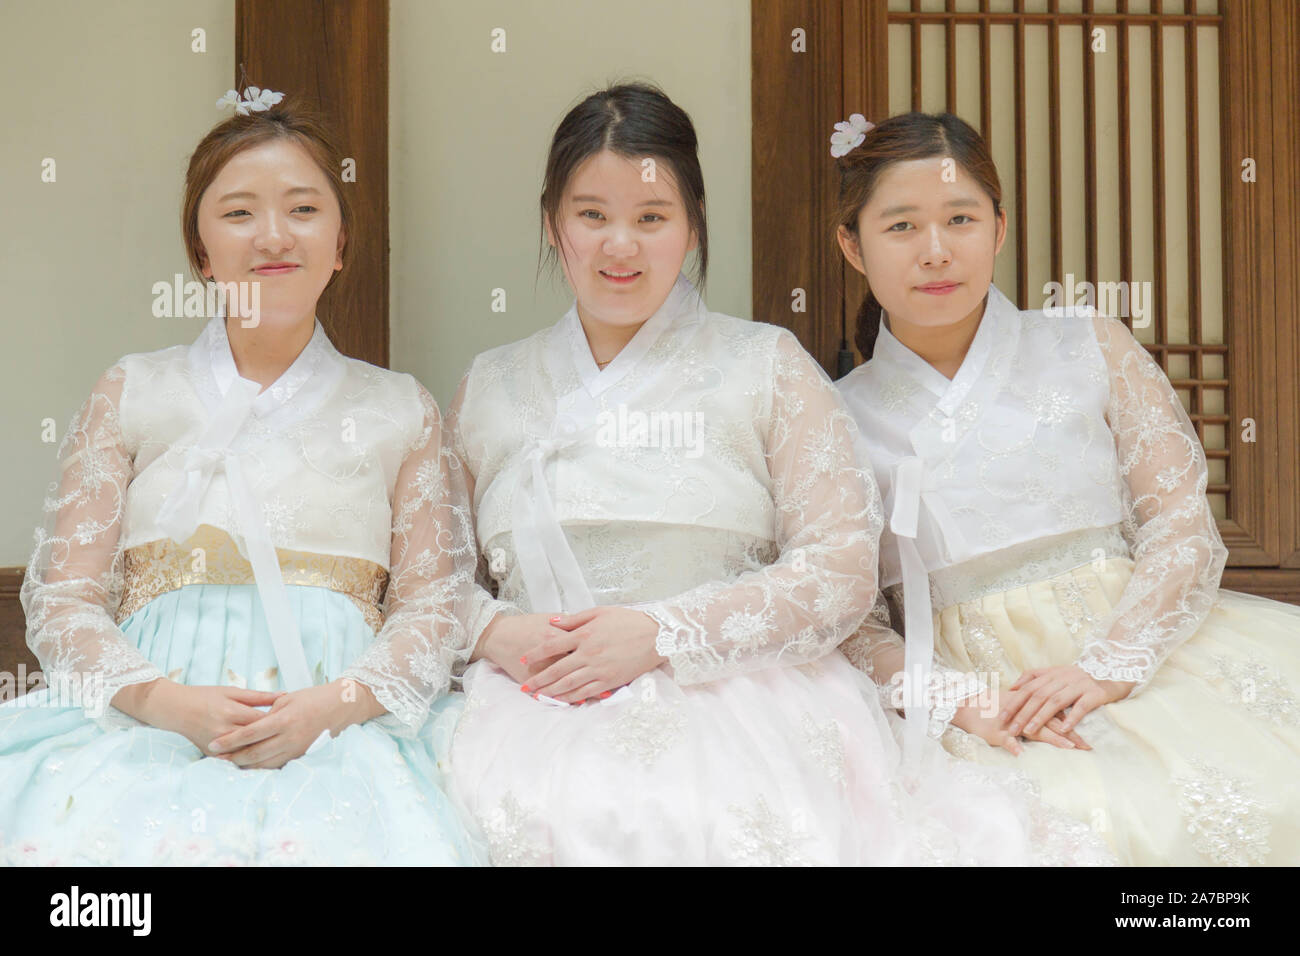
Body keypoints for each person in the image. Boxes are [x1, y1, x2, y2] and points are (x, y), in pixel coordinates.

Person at [443, 83, 1114, 865]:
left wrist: (662, 634)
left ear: (692, 228)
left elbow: (838, 571)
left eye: (651, 218)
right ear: (553, 224)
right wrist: (495, 631)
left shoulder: (767, 366)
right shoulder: (489, 384)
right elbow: (435, 579)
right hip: (527, 702)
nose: (619, 245)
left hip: (737, 703)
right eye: (592, 215)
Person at [0, 88, 486, 866]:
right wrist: (167, 704)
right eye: (237, 214)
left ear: (341, 244)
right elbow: (63, 602)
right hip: (142, 725)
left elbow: (433, 610)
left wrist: (328, 710)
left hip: (341, 731)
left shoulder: (401, 409)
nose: (272, 236)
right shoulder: (132, 390)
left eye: (301, 209)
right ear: (199, 252)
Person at [832, 110, 1300, 865]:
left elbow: (1181, 524)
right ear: (852, 244)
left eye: (961, 218)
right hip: (976, 700)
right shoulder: (838, 417)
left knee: (1252, 797)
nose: (936, 251)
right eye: (901, 227)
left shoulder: (1086, 342)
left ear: (1000, 227)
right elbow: (848, 618)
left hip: (1142, 650)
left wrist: (1109, 665)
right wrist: (953, 699)